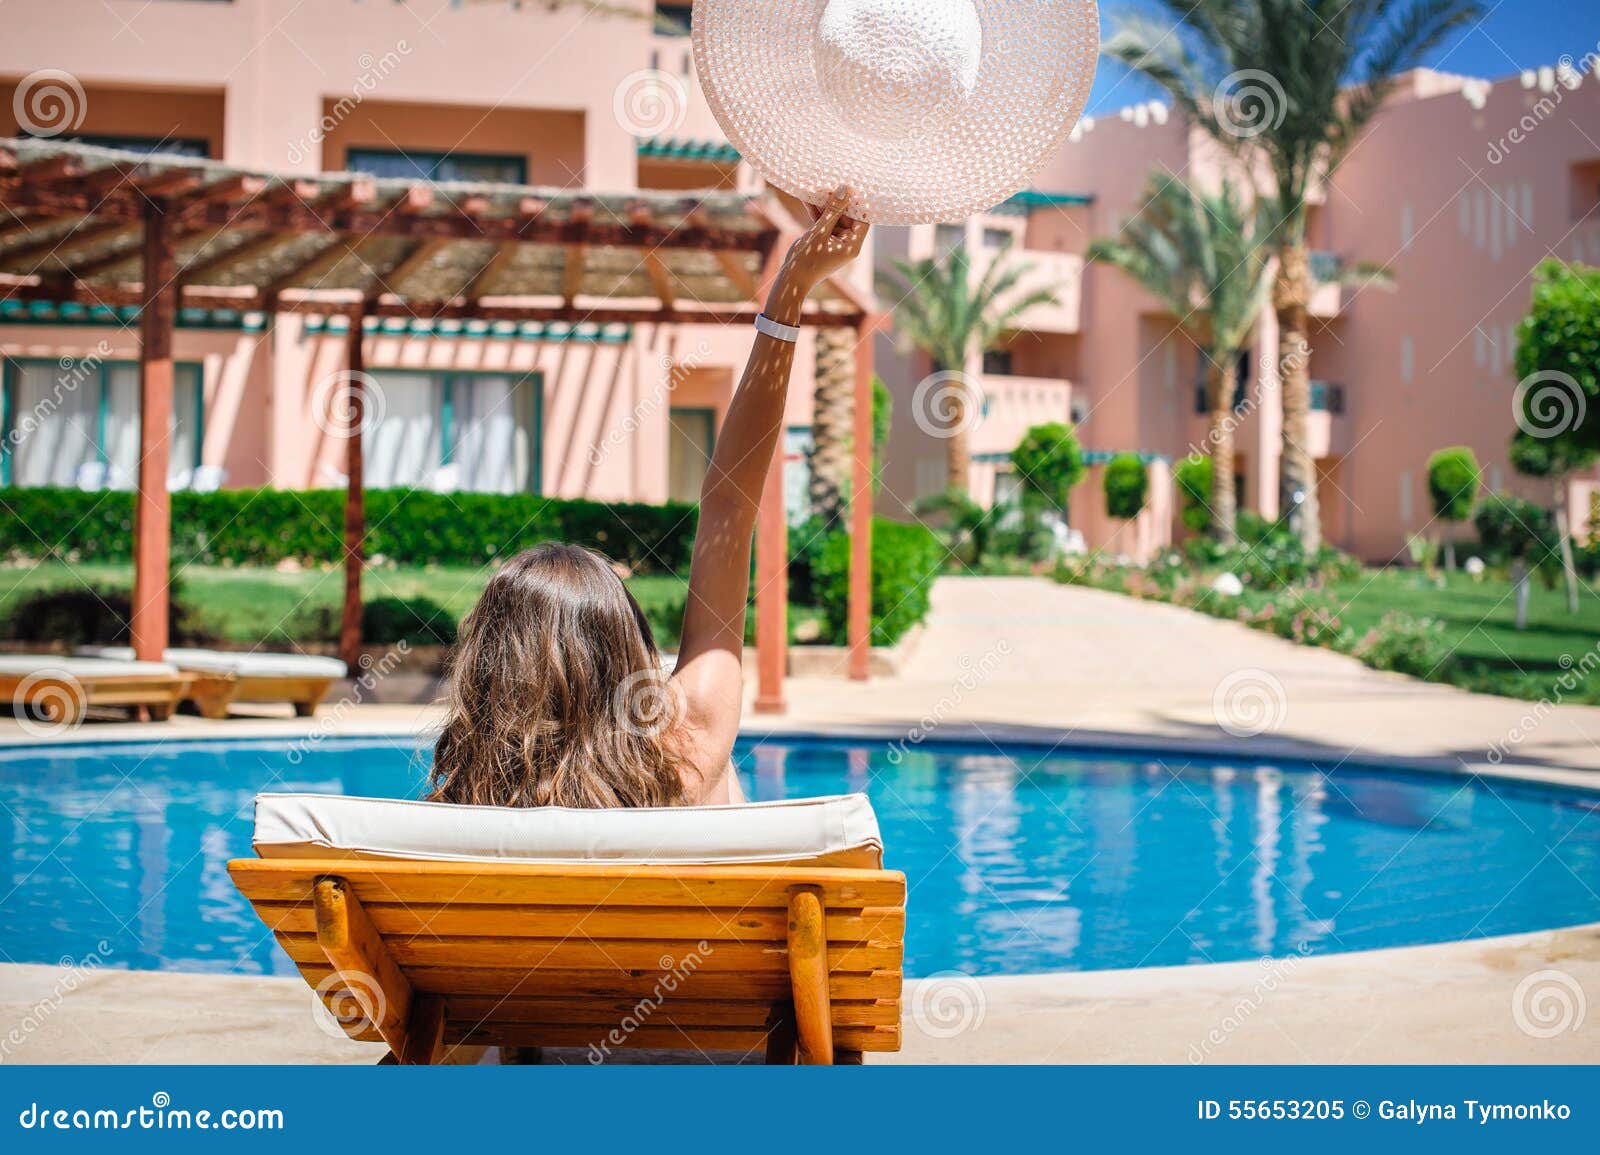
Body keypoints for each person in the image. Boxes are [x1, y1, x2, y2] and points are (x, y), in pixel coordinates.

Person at [428, 189, 868, 809]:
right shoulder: (689, 754)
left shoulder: (462, 813)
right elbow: (729, 509)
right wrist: (791, 286)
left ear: (488, 669)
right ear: (625, 651)